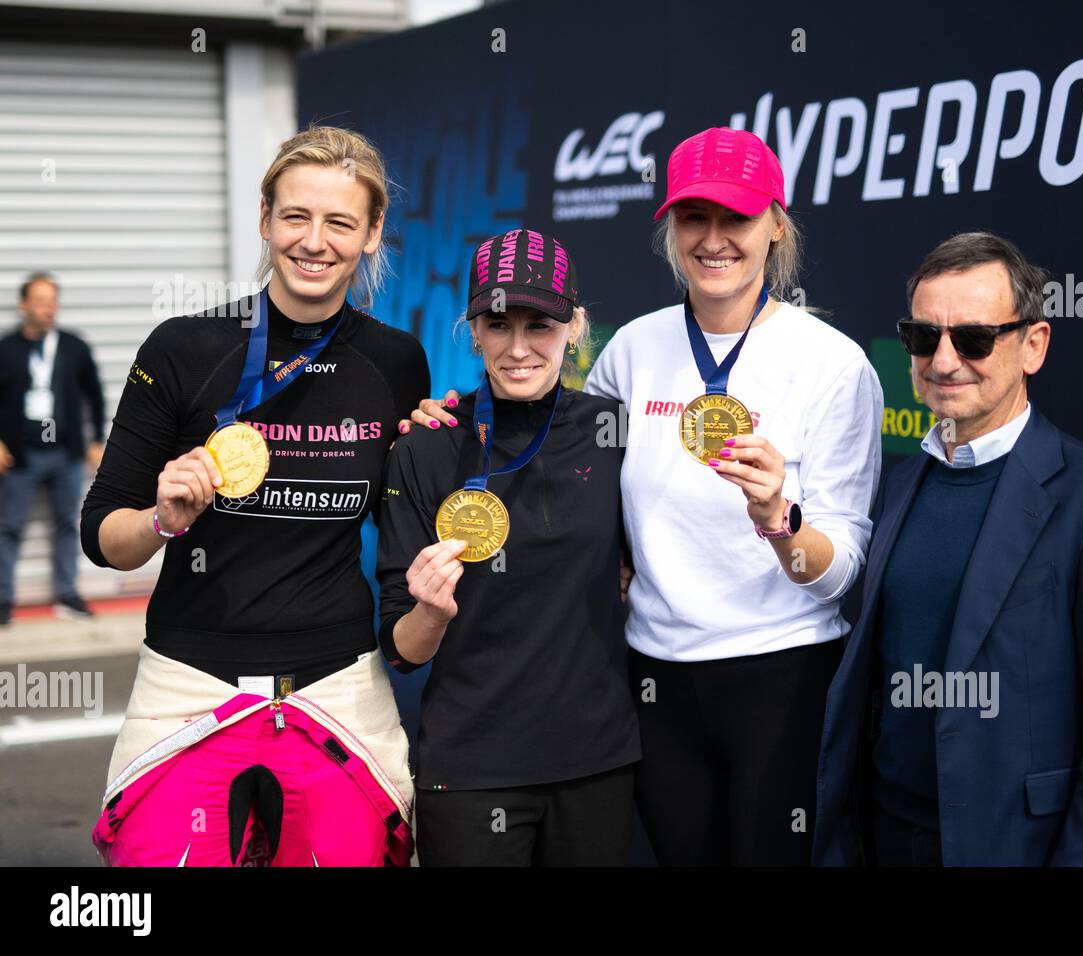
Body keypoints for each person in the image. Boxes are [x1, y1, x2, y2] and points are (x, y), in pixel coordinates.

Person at [413, 128, 883, 865]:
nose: (715, 239)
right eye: (695, 218)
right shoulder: (632, 350)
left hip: (780, 675)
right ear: (671, 228)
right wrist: (446, 421)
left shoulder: (833, 364)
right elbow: (556, 446)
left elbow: (842, 567)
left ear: (776, 226)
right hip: (655, 678)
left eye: (737, 218)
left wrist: (780, 523)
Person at [80, 126, 430, 867]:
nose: (315, 240)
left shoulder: (396, 362)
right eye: (296, 216)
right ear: (265, 219)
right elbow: (101, 535)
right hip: (188, 679)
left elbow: (405, 507)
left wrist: (439, 443)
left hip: (337, 684)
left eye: (341, 222)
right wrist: (160, 519)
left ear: (371, 235)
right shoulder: (184, 348)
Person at [814, 232, 1083, 867]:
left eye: (974, 339)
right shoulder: (898, 484)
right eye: (924, 337)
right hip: (883, 832)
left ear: (1033, 345)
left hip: (1013, 846)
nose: (945, 361)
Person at [375, 229, 641, 866]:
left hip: (596, 762)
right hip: (472, 768)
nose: (518, 349)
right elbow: (400, 649)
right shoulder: (425, 447)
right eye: (498, 325)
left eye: (540, 325)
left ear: (574, 326)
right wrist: (431, 613)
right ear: (472, 331)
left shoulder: (615, 432)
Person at [0, 272, 105, 625]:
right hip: (21, 455)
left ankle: (67, 594)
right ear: (24, 305)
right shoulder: (7, 348)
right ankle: (3, 599)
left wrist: (95, 441)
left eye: (53, 301)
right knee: (10, 525)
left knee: (66, 523)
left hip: (66, 454)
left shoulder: (74, 346)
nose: (49, 309)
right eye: (41, 301)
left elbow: (95, 394)